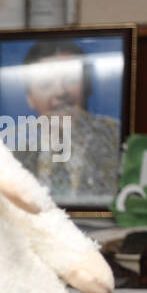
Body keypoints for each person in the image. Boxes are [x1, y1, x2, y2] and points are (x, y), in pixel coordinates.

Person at [17, 38, 121, 202]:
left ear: (88, 86)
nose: (60, 92)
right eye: (45, 84)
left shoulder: (119, 143)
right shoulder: (13, 159)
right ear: (30, 99)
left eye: (71, 79)